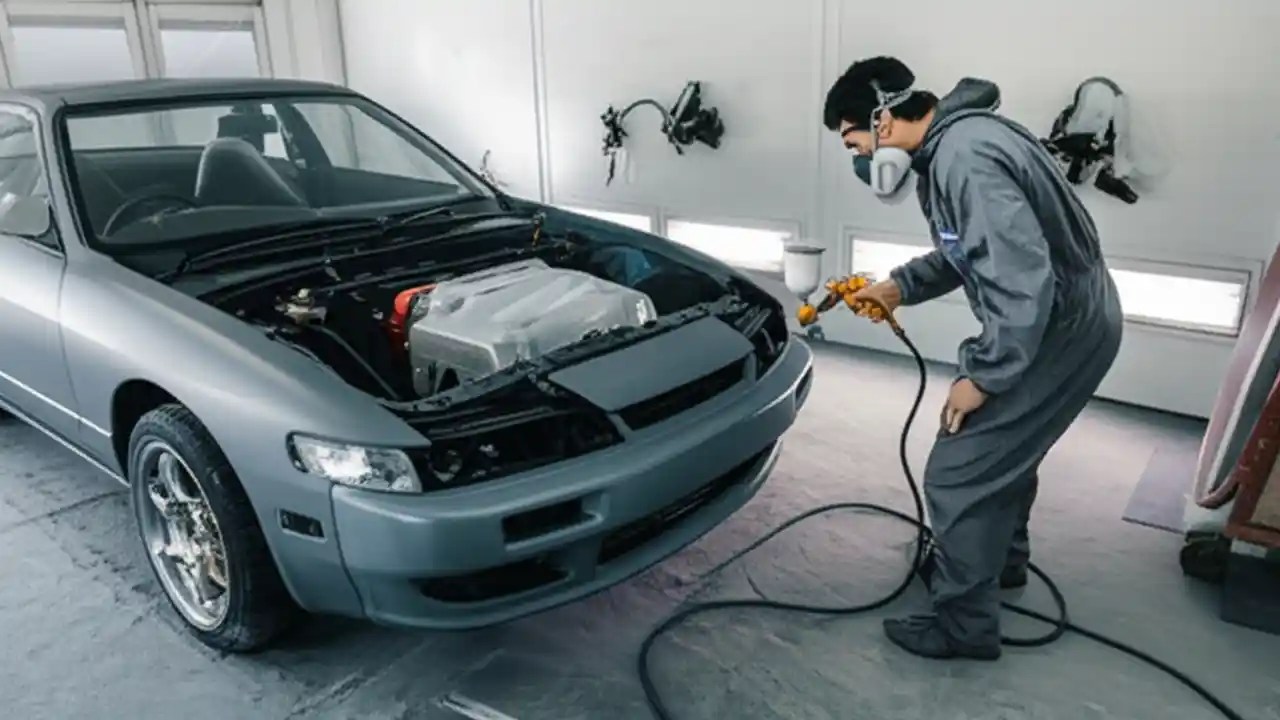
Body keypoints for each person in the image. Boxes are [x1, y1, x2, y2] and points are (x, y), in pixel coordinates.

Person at [822, 57, 1124, 660]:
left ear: (882, 120)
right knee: (1006, 454)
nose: (857, 157)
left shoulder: (965, 157)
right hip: (1067, 317)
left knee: (959, 470)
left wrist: (983, 376)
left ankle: (964, 626)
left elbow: (1018, 277)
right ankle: (999, 566)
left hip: (1053, 327)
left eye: (852, 140)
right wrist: (899, 286)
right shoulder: (959, 142)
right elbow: (972, 250)